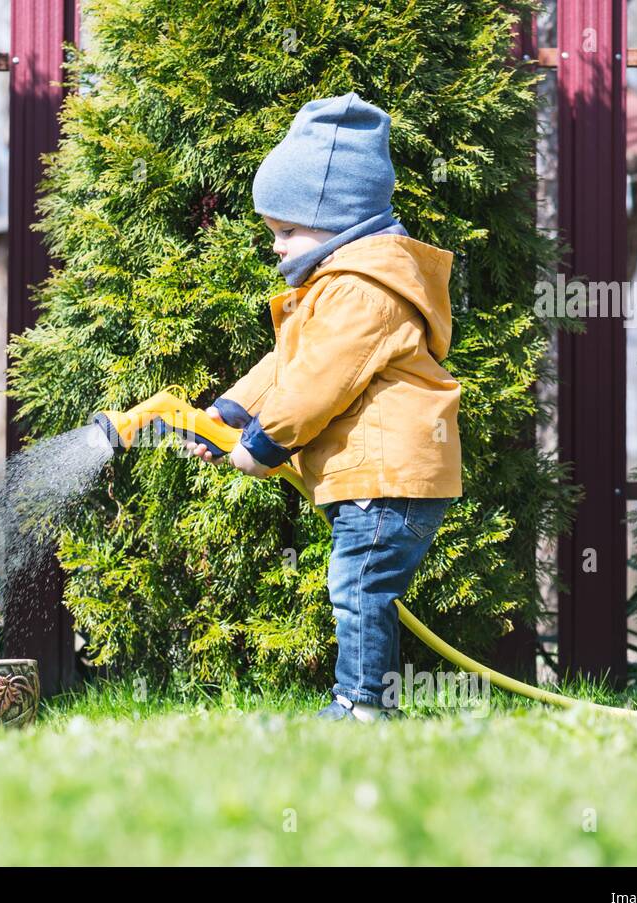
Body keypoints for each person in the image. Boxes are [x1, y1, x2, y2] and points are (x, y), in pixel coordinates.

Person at [185, 92, 462, 723]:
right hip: (379, 477)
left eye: (286, 231)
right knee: (359, 587)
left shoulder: (363, 291)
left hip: (389, 478)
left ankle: (363, 707)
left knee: (359, 588)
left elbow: (318, 382)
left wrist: (265, 443)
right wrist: (232, 411)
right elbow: (290, 363)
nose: (277, 246)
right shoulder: (341, 287)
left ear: (337, 218)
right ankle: (364, 703)